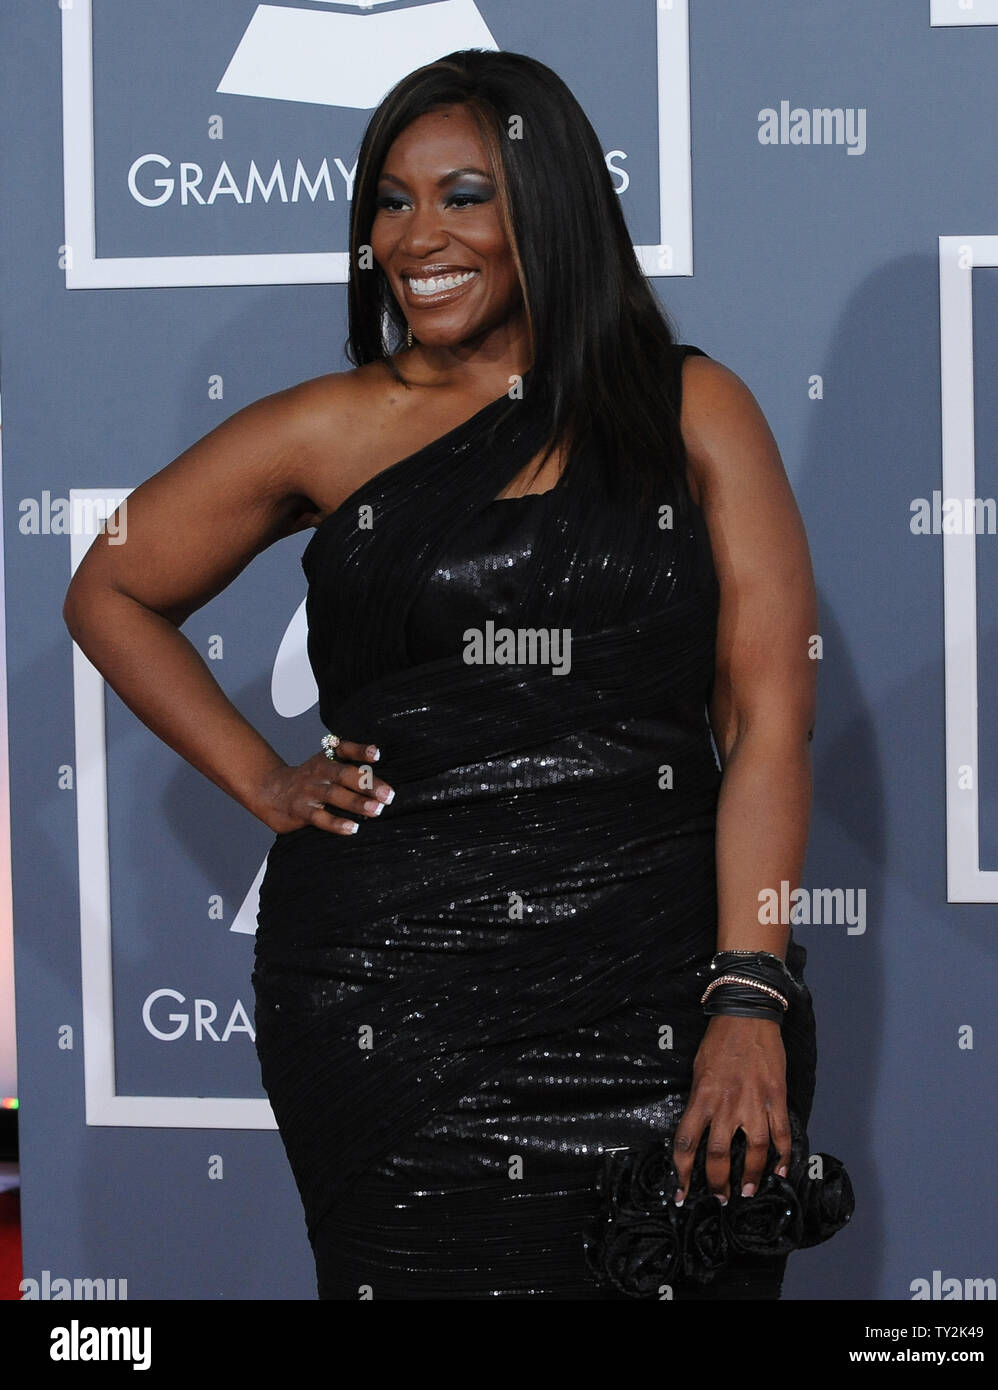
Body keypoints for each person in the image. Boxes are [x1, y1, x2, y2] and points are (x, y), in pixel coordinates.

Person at [63, 49, 834, 1300]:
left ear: (551, 207)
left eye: (464, 194)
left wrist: (746, 995)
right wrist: (265, 780)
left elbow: (765, 716)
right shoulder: (325, 426)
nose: (417, 234)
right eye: (391, 199)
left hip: (659, 989)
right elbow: (108, 585)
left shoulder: (690, 408)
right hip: (390, 1005)